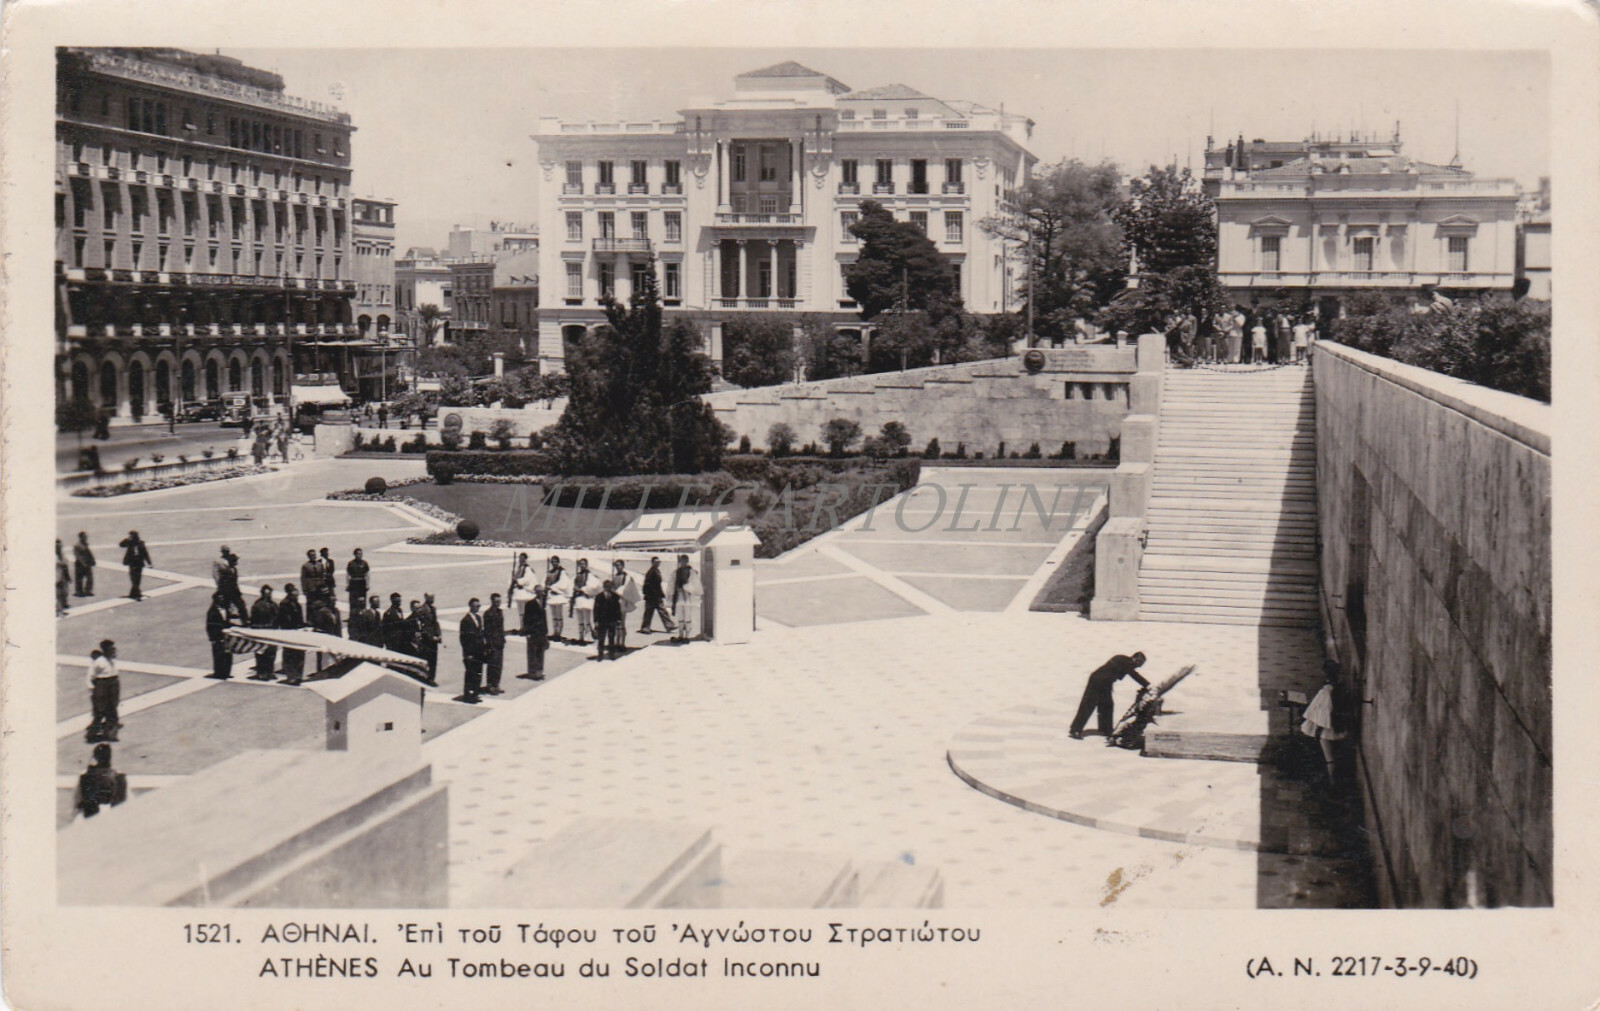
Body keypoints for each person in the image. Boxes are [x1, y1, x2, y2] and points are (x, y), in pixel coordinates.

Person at [1069, 652, 1150, 739]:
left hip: (1106, 683)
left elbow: (1132, 673)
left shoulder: (1125, 662)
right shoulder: (1124, 661)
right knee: (1088, 705)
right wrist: (1148, 685)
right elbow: (1134, 675)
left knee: (1107, 705)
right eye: (1140, 663)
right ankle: (1075, 730)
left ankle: (1106, 729)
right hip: (1097, 681)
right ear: (1135, 659)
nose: (1140, 666)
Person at [73, 743, 128, 819]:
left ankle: (91, 814)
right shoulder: (117, 776)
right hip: (106, 791)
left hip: (95, 794)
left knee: (87, 779)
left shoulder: (88, 775)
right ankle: (117, 813)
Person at [86, 640, 121, 743]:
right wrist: (93, 690)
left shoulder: (112, 660)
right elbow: (90, 676)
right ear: (105, 650)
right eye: (111, 648)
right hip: (103, 685)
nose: (114, 650)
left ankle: (110, 734)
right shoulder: (99, 662)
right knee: (100, 712)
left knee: (112, 711)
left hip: (113, 685)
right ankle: (91, 735)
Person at [518, 585, 549, 681]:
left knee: (540, 652)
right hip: (533, 632)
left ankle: (539, 672)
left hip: (541, 632)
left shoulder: (543, 603)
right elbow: (526, 619)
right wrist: (527, 632)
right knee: (532, 652)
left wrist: (546, 632)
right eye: (541, 592)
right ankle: (532, 672)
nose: (543, 593)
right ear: (537, 592)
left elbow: (544, 619)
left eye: (543, 592)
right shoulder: (530, 604)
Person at [457, 598, 485, 704]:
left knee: (478, 673)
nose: (478, 608)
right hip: (471, 653)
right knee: (470, 674)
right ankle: (467, 695)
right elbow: (463, 639)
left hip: (479, 652)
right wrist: (468, 653)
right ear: (471, 606)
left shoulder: (478, 618)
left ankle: (475, 694)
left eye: (479, 606)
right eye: (476, 606)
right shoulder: (465, 621)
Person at [277, 583, 306, 685]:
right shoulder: (285, 604)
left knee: (299, 655)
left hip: (298, 632)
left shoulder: (297, 604)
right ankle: (291, 677)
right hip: (289, 632)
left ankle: (298, 675)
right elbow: (284, 620)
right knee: (289, 655)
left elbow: (300, 618)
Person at [248, 586, 279, 680]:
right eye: (266, 593)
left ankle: (270, 671)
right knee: (261, 653)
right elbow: (253, 620)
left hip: (272, 632)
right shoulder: (257, 605)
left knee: (271, 654)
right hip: (261, 632)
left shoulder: (274, 604)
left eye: (270, 593)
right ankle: (261, 672)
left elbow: (277, 617)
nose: (268, 595)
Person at [639, 556, 675, 635]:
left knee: (661, 611)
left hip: (656, 595)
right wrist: (648, 594)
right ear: (652, 563)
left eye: (659, 562)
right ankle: (645, 628)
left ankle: (669, 625)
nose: (658, 563)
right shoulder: (651, 572)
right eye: (656, 562)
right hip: (652, 595)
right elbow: (647, 584)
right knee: (650, 612)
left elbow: (658, 585)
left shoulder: (656, 571)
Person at [213, 545, 249, 623]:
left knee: (239, 605)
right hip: (227, 589)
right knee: (230, 606)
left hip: (232, 589)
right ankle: (235, 620)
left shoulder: (228, 563)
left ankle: (244, 620)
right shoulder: (223, 563)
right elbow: (217, 576)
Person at [611, 559, 640, 652]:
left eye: (619, 565)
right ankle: (617, 642)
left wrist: (617, 592)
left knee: (622, 623)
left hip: (622, 601)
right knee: (616, 624)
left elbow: (626, 588)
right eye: (616, 565)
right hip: (615, 602)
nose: (618, 567)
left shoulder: (626, 577)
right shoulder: (614, 577)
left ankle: (622, 643)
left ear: (623, 566)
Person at [205, 591, 235, 679]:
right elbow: (209, 626)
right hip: (217, 637)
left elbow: (227, 622)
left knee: (227, 655)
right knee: (218, 656)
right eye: (220, 598)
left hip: (226, 636)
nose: (222, 599)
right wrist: (213, 638)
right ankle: (218, 673)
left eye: (222, 598)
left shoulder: (225, 609)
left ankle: (226, 672)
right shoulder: (212, 611)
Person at [483, 592, 507, 695]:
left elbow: (501, 628)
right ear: (492, 601)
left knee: (499, 665)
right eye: (496, 601)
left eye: (499, 601)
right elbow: (487, 631)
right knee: (492, 665)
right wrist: (489, 644)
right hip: (492, 643)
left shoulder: (500, 612)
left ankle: (496, 684)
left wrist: (503, 639)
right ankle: (490, 685)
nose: (498, 603)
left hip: (500, 643)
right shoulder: (488, 613)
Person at [593, 579, 623, 660]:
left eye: (610, 587)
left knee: (611, 638)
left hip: (612, 621)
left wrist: (619, 619)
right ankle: (600, 655)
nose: (608, 589)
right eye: (606, 587)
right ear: (604, 587)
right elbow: (596, 610)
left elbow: (618, 609)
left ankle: (611, 654)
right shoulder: (599, 597)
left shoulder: (615, 596)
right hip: (602, 621)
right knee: (601, 639)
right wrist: (596, 621)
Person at [670, 554, 697, 642]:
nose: (683, 562)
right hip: (679, 596)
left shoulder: (692, 572)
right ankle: (681, 635)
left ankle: (687, 636)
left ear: (687, 561)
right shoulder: (676, 572)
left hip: (688, 597)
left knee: (687, 616)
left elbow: (695, 584)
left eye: (685, 561)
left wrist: (687, 587)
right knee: (680, 616)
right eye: (682, 561)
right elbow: (672, 584)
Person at [417, 593, 442, 681]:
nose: (433, 599)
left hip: (434, 640)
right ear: (426, 597)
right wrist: (431, 637)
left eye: (433, 597)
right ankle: (427, 679)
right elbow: (423, 627)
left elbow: (436, 623)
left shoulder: (433, 609)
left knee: (434, 660)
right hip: (427, 641)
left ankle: (432, 678)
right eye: (431, 597)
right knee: (428, 660)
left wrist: (439, 635)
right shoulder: (422, 610)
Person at [119, 531, 152, 601]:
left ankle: (134, 593)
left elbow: (145, 553)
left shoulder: (141, 543)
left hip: (139, 563)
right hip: (132, 562)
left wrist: (149, 563)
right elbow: (121, 545)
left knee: (138, 578)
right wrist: (127, 539)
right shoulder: (129, 542)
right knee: (133, 578)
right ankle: (136, 593)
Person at [570, 558, 595, 645]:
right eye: (581, 564)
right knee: (580, 620)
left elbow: (592, 587)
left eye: (584, 563)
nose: (582, 565)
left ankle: (587, 637)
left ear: (587, 565)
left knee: (587, 620)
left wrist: (581, 589)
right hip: (578, 599)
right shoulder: (577, 575)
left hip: (586, 599)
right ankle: (581, 637)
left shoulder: (590, 575)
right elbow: (571, 585)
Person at [545, 556, 569, 642]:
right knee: (553, 615)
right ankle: (555, 632)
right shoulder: (550, 572)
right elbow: (545, 581)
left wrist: (552, 587)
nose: (554, 563)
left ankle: (559, 633)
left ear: (558, 562)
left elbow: (563, 583)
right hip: (551, 596)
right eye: (552, 561)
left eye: (555, 561)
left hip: (558, 595)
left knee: (559, 615)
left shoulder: (562, 571)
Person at [346, 547, 370, 612]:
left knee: (362, 599)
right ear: (355, 554)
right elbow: (348, 574)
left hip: (362, 582)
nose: (360, 555)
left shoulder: (364, 563)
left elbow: (367, 574)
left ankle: (363, 613)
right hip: (353, 582)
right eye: (358, 554)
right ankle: (352, 615)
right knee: (353, 600)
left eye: (361, 554)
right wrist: (348, 584)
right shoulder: (351, 563)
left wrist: (367, 584)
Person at [73, 532, 96, 597]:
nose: (86, 538)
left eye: (86, 536)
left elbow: (89, 553)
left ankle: (88, 590)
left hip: (87, 563)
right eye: (84, 536)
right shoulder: (77, 545)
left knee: (90, 577)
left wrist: (92, 560)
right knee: (79, 578)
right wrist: (83, 563)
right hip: (80, 564)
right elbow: (78, 556)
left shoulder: (86, 544)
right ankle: (79, 591)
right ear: (80, 537)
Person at [56, 541, 71, 617]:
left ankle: (61, 609)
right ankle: (59, 611)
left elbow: (65, 565)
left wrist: (68, 577)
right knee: (57, 595)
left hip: (63, 577)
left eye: (60, 547)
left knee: (64, 593)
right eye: (58, 547)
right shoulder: (53, 556)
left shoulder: (62, 555)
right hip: (56, 578)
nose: (59, 548)